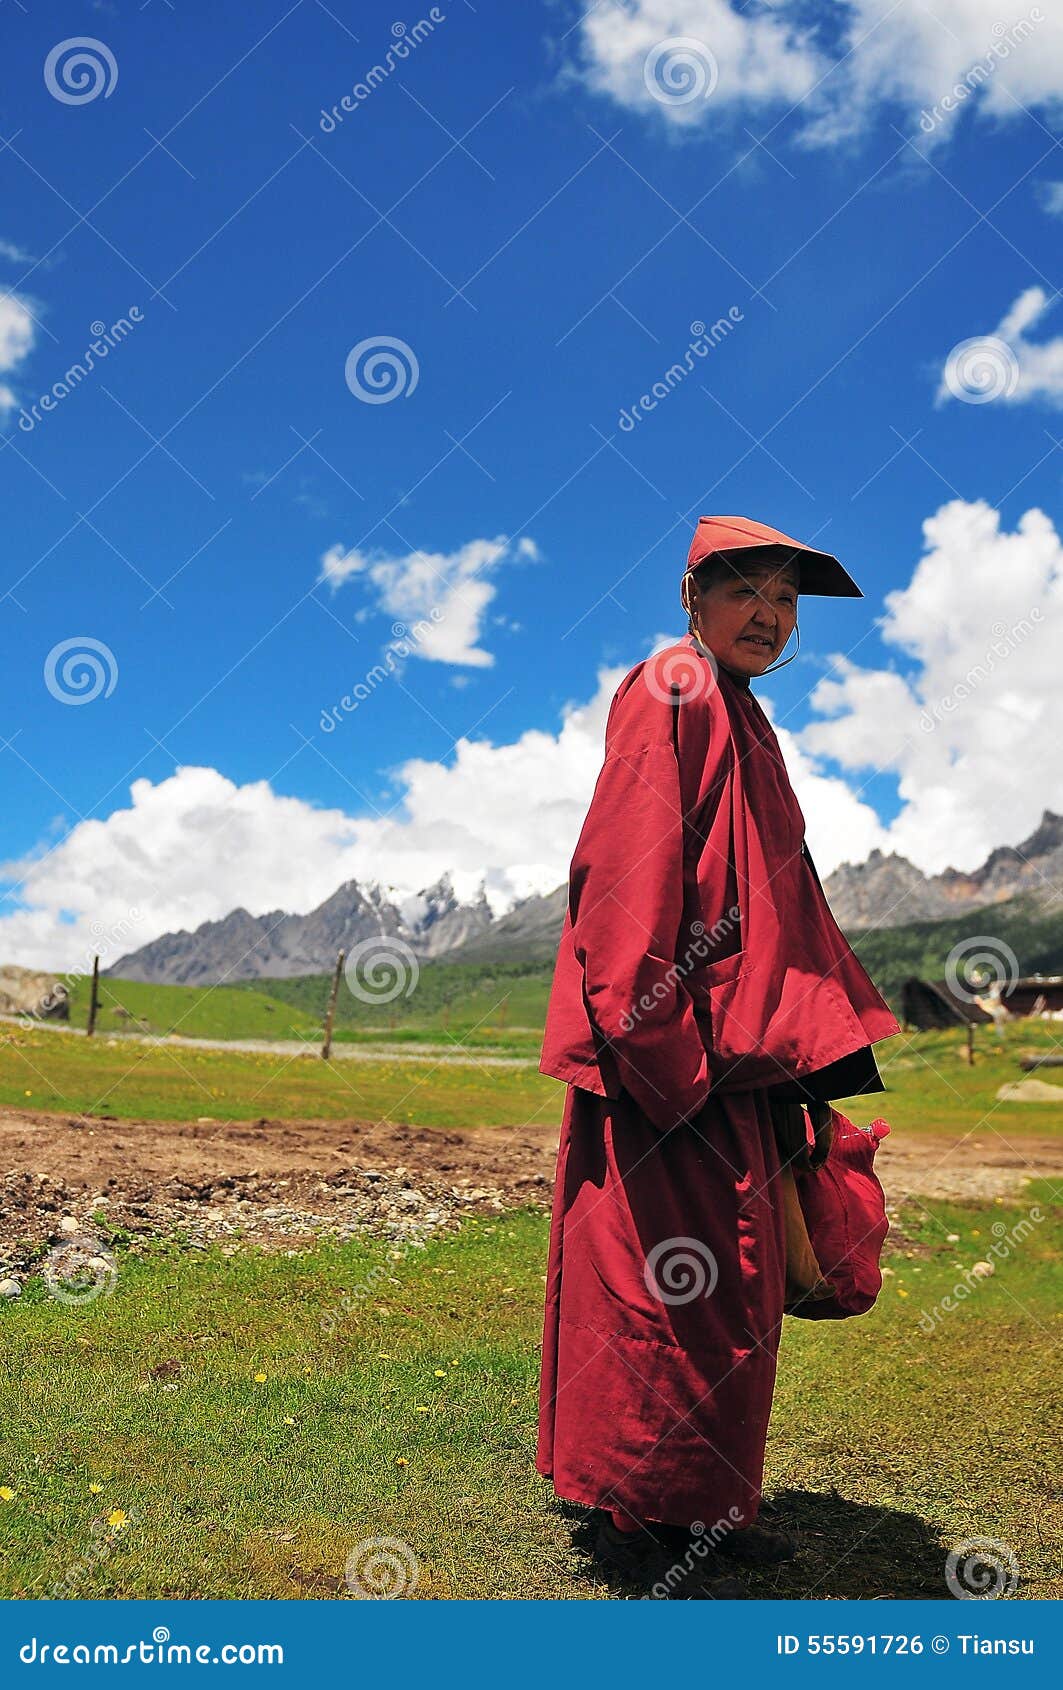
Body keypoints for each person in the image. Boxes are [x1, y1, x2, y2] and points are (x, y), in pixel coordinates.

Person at [534, 514, 901, 1599]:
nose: (769, 615)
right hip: (666, 1061)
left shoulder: (741, 715)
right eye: (744, 590)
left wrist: (790, 1060)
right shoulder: (671, 690)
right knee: (650, 1294)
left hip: (737, 1063)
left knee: (731, 1297)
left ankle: (706, 1502)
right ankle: (626, 1513)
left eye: (785, 601)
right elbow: (626, 875)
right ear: (689, 595)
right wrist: (659, 1053)